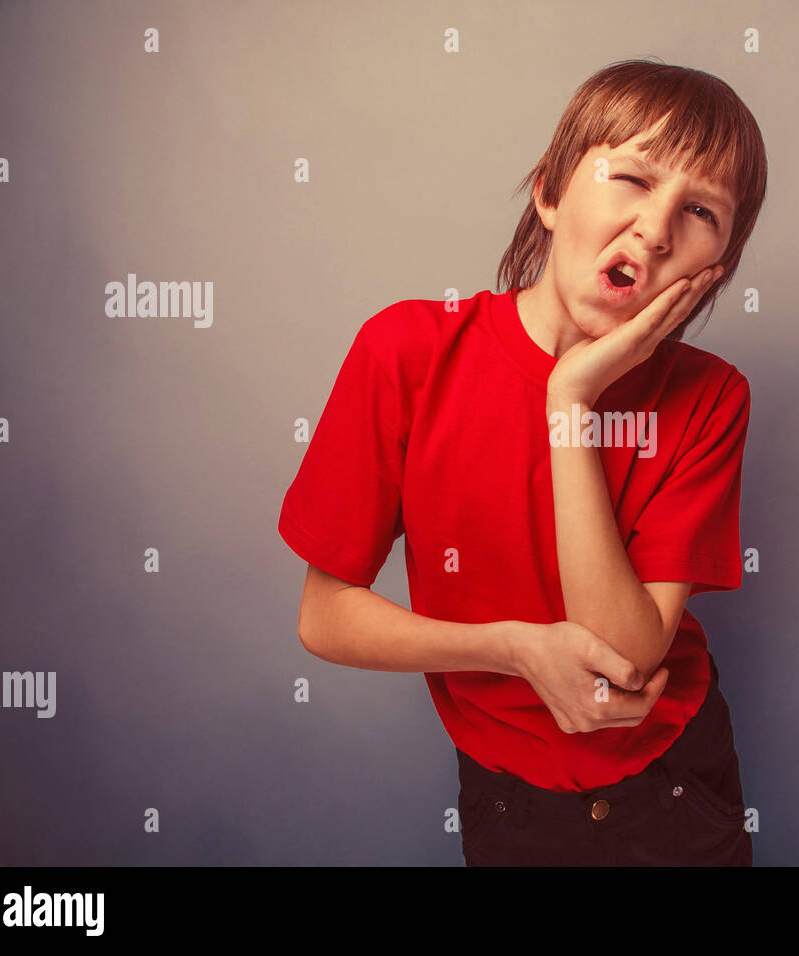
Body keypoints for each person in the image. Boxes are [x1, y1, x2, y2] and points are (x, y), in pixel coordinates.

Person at [278, 58, 768, 865]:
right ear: (548, 193)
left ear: (710, 273)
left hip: (676, 785)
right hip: (510, 801)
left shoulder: (712, 399)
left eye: (700, 211)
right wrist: (510, 649)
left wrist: (568, 401)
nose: (654, 229)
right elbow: (323, 616)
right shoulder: (406, 353)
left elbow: (627, 656)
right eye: (632, 179)